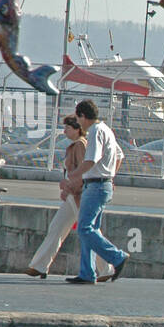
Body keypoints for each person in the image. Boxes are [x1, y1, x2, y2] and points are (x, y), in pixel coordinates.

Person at [23, 116, 112, 281]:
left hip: (78, 195)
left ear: (77, 128)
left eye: (67, 128)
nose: (64, 131)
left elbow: (84, 172)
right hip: (73, 195)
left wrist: (69, 187)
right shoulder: (76, 145)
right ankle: (39, 265)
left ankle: (107, 268)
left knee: (89, 232)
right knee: (57, 227)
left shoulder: (80, 145)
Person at [64, 99, 130, 285]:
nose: (78, 122)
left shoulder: (94, 131)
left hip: (95, 185)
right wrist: (111, 176)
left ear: (83, 116)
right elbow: (118, 155)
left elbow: (90, 161)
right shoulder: (106, 129)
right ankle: (87, 272)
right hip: (102, 184)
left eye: (78, 118)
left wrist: (72, 177)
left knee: (84, 228)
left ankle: (117, 257)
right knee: (90, 229)